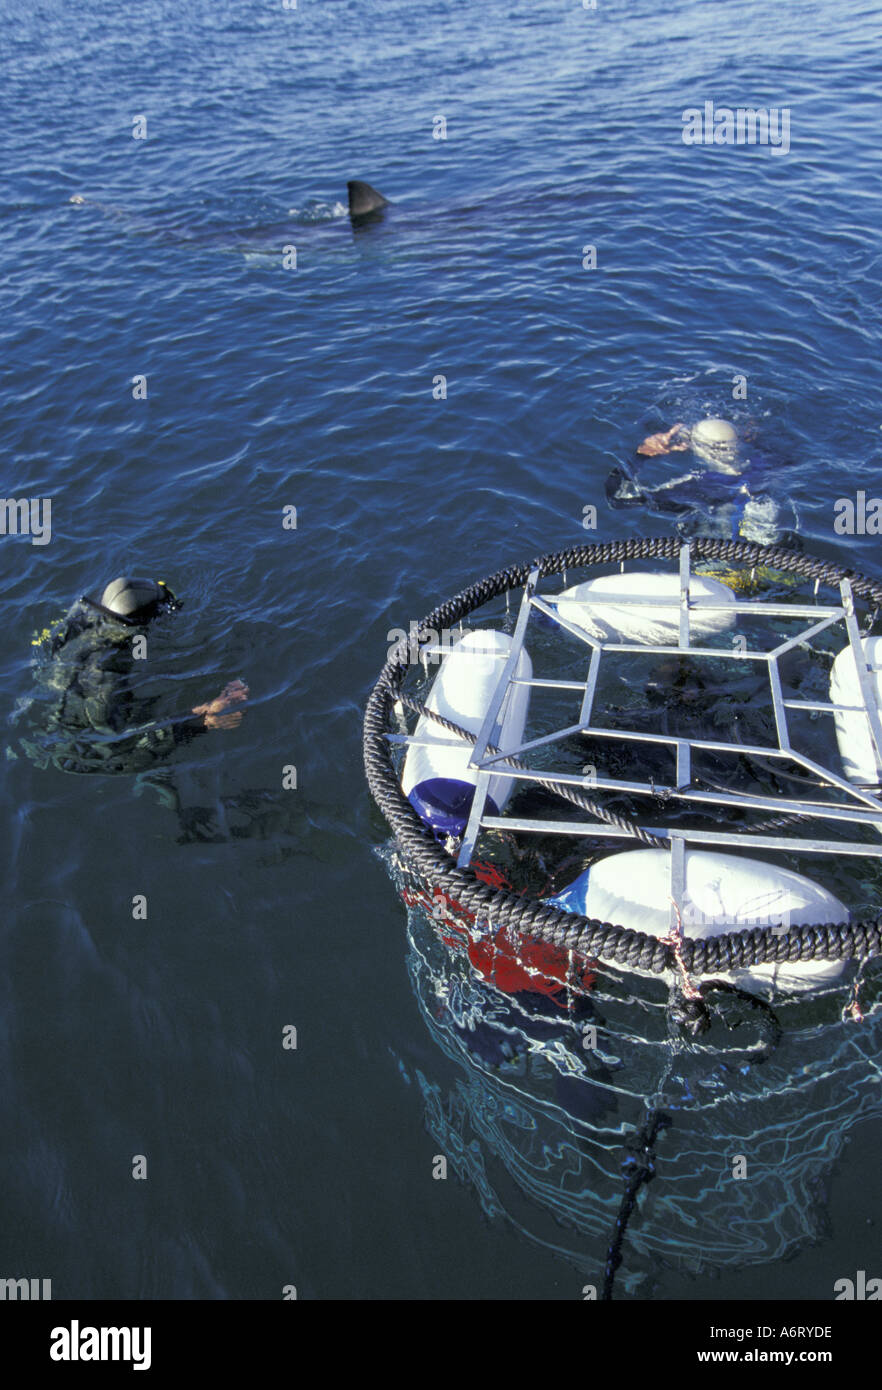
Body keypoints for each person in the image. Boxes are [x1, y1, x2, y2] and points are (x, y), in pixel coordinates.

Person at [17, 576, 248, 777]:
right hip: (61, 755)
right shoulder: (107, 679)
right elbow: (116, 750)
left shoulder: (78, 624)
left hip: (38, 715)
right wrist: (201, 720)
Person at [606, 416, 798, 546]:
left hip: (723, 568)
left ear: (699, 450)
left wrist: (642, 455)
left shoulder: (698, 487)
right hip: (782, 557)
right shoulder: (769, 465)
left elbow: (618, 500)